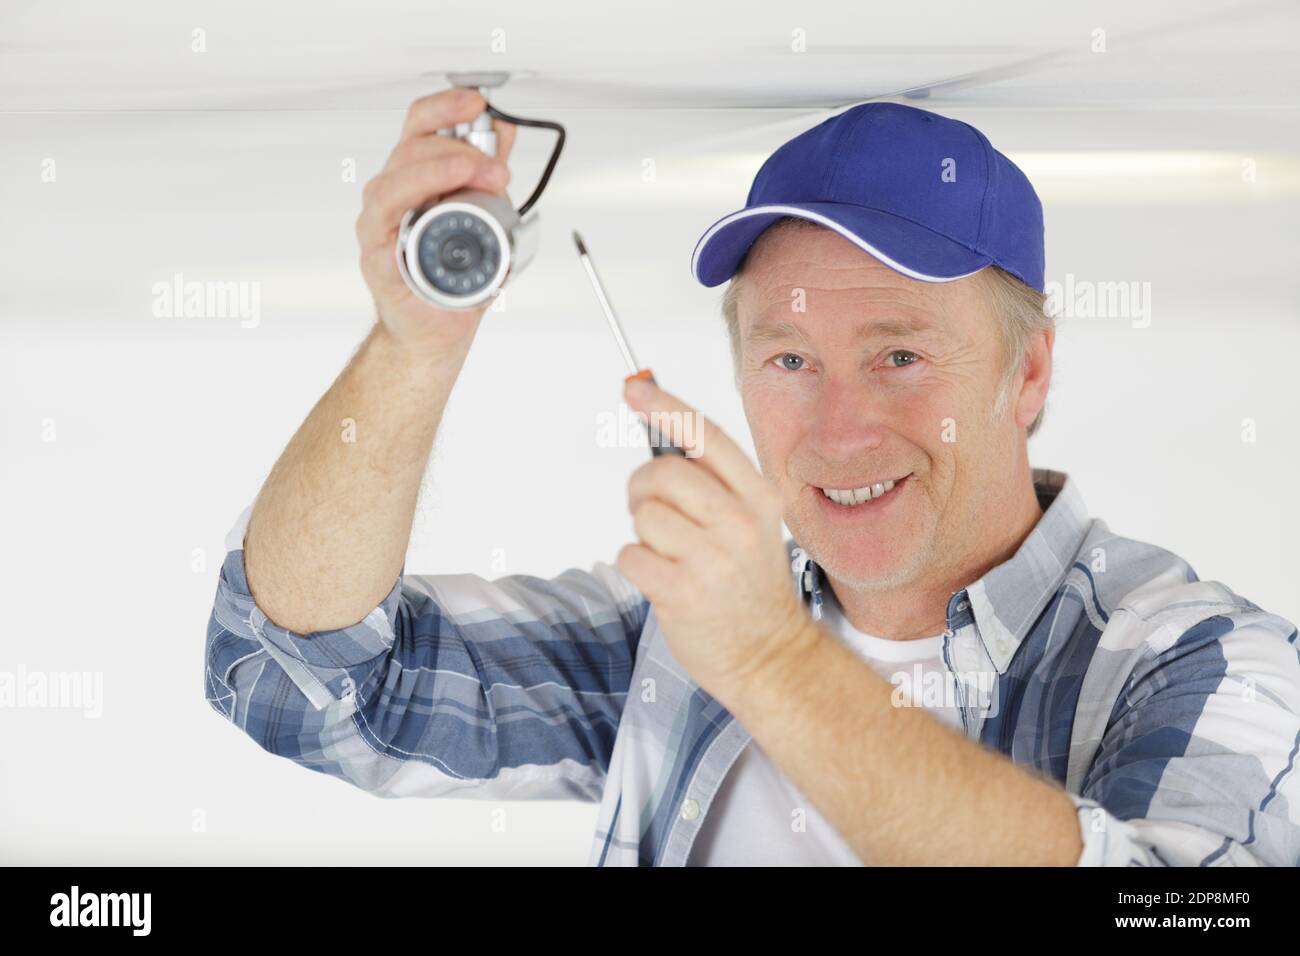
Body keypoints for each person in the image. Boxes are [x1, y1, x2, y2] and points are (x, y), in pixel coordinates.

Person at [204, 88, 1300, 866]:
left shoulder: (1204, 660)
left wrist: (771, 658)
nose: (837, 427)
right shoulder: (677, 636)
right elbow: (308, 678)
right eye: (788, 359)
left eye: (900, 355)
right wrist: (412, 346)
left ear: (1029, 372)